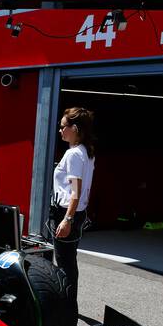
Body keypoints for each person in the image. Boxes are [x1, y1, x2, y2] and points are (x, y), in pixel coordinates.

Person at [51, 107, 96, 300]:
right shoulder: (85, 151)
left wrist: (67, 219)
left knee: (65, 263)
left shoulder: (73, 154)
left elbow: (75, 191)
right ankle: (69, 303)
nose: (60, 130)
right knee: (69, 261)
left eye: (63, 127)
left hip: (67, 213)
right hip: (76, 212)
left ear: (75, 128)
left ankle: (66, 306)